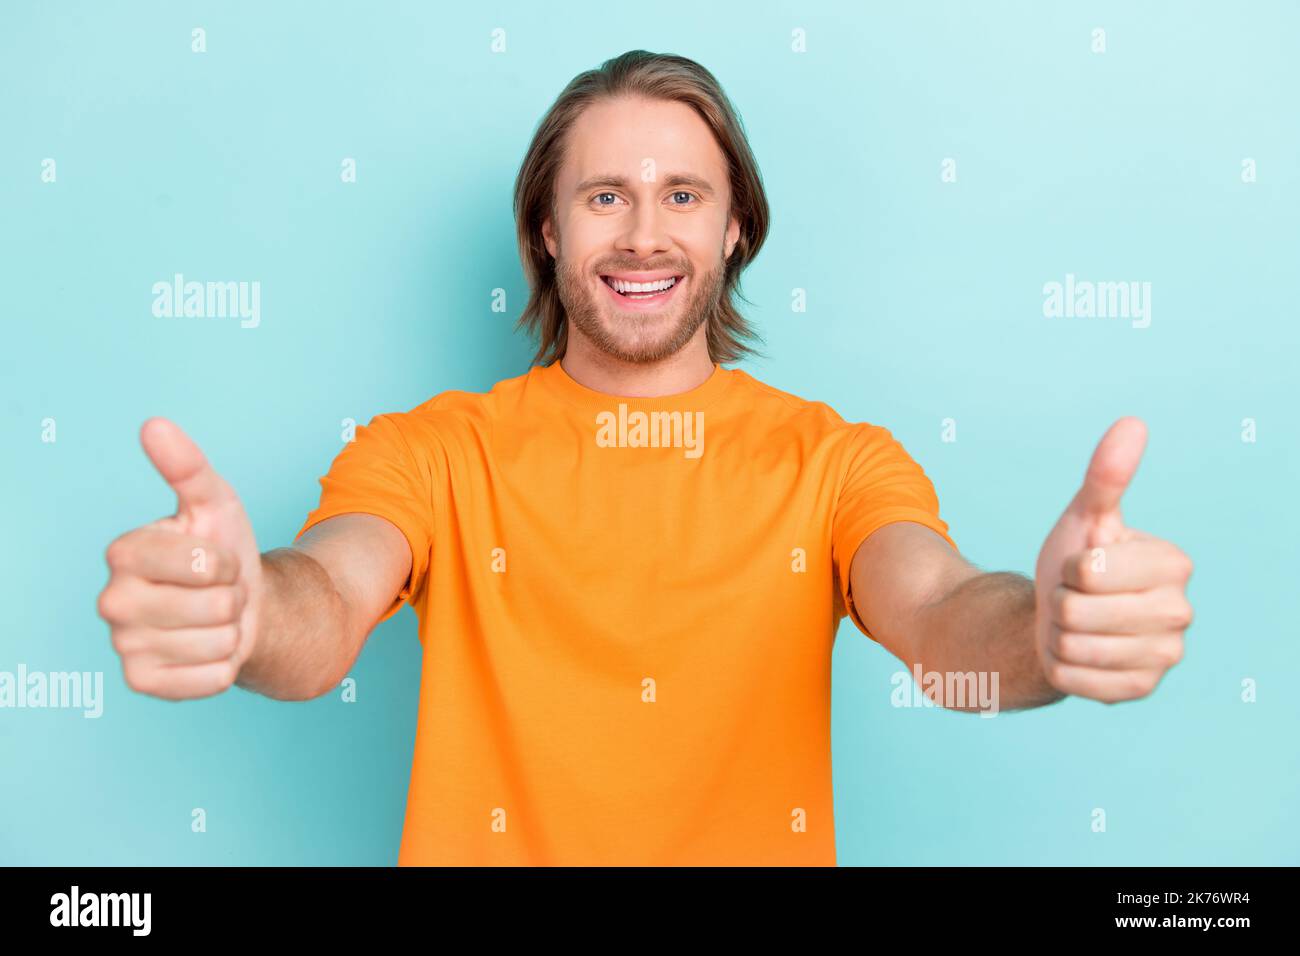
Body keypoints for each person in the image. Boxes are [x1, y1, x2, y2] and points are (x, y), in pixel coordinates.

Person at [96, 51, 1194, 866]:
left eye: (682, 195)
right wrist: (242, 613)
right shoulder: (434, 451)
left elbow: (944, 609)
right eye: (603, 196)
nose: (641, 234)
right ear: (547, 231)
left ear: (733, 232)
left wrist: (1047, 635)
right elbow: (324, 602)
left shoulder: (833, 461)